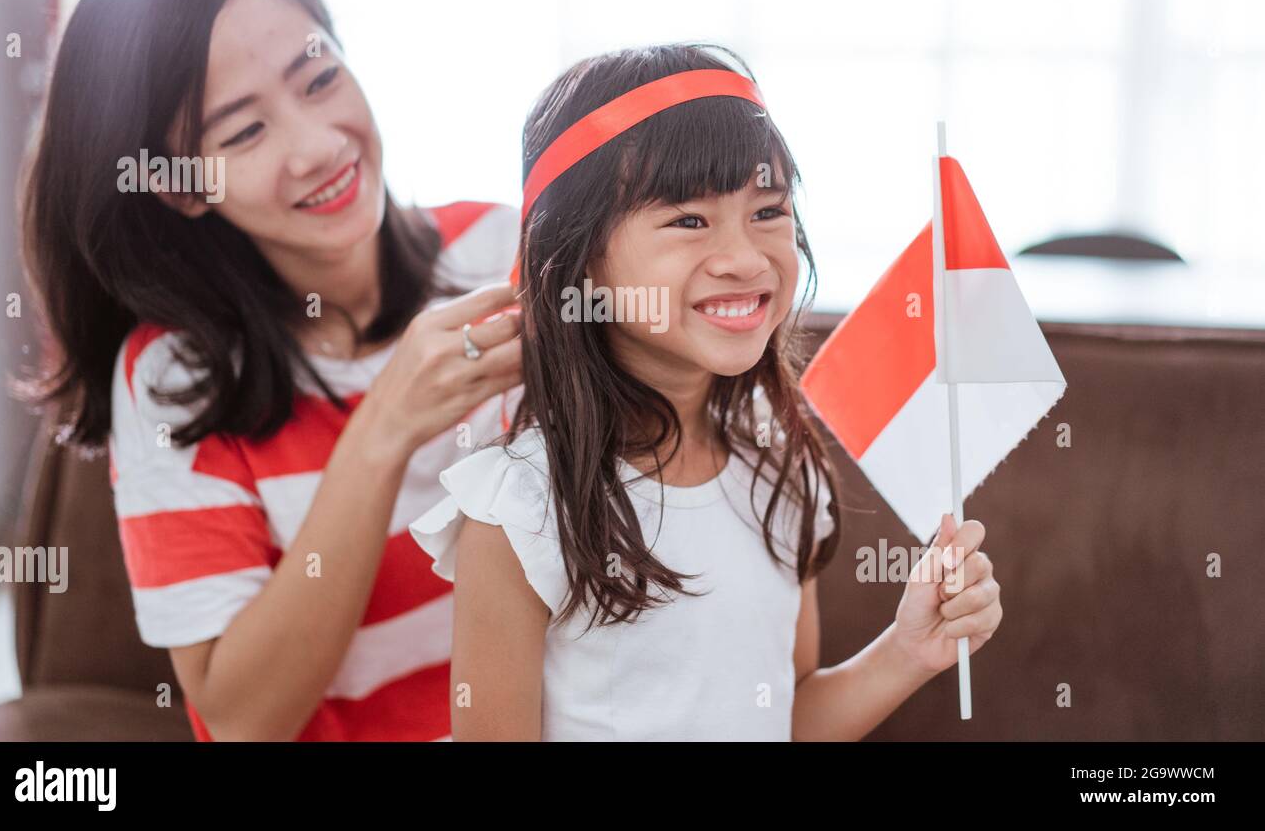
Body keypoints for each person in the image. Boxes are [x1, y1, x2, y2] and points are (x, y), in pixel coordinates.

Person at [15, 0, 521, 741]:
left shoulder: (509, 257)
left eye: (319, 78)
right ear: (180, 190)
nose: (318, 147)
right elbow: (245, 718)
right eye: (245, 132)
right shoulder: (175, 381)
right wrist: (381, 432)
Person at [410, 43, 1003, 740]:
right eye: (688, 221)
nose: (745, 258)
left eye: (768, 211)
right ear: (579, 262)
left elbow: (786, 717)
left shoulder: (781, 462)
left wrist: (907, 652)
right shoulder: (517, 508)